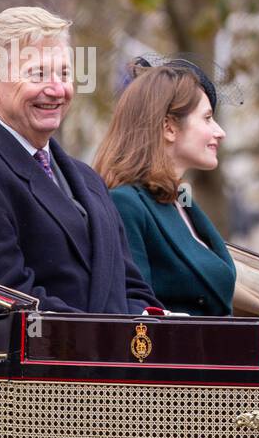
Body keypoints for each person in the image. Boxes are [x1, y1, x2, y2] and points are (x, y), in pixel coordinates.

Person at [0, 7, 159, 314]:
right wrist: (106, 338)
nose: (56, 89)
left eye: (64, 73)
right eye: (37, 74)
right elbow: (4, 304)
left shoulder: (86, 178)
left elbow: (133, 286)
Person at [94, 60, 237, 317]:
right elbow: (134, 316)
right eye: (207, 118)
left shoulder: (181, 201)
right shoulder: (126, 204)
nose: (220, 132)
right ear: (168, 127)